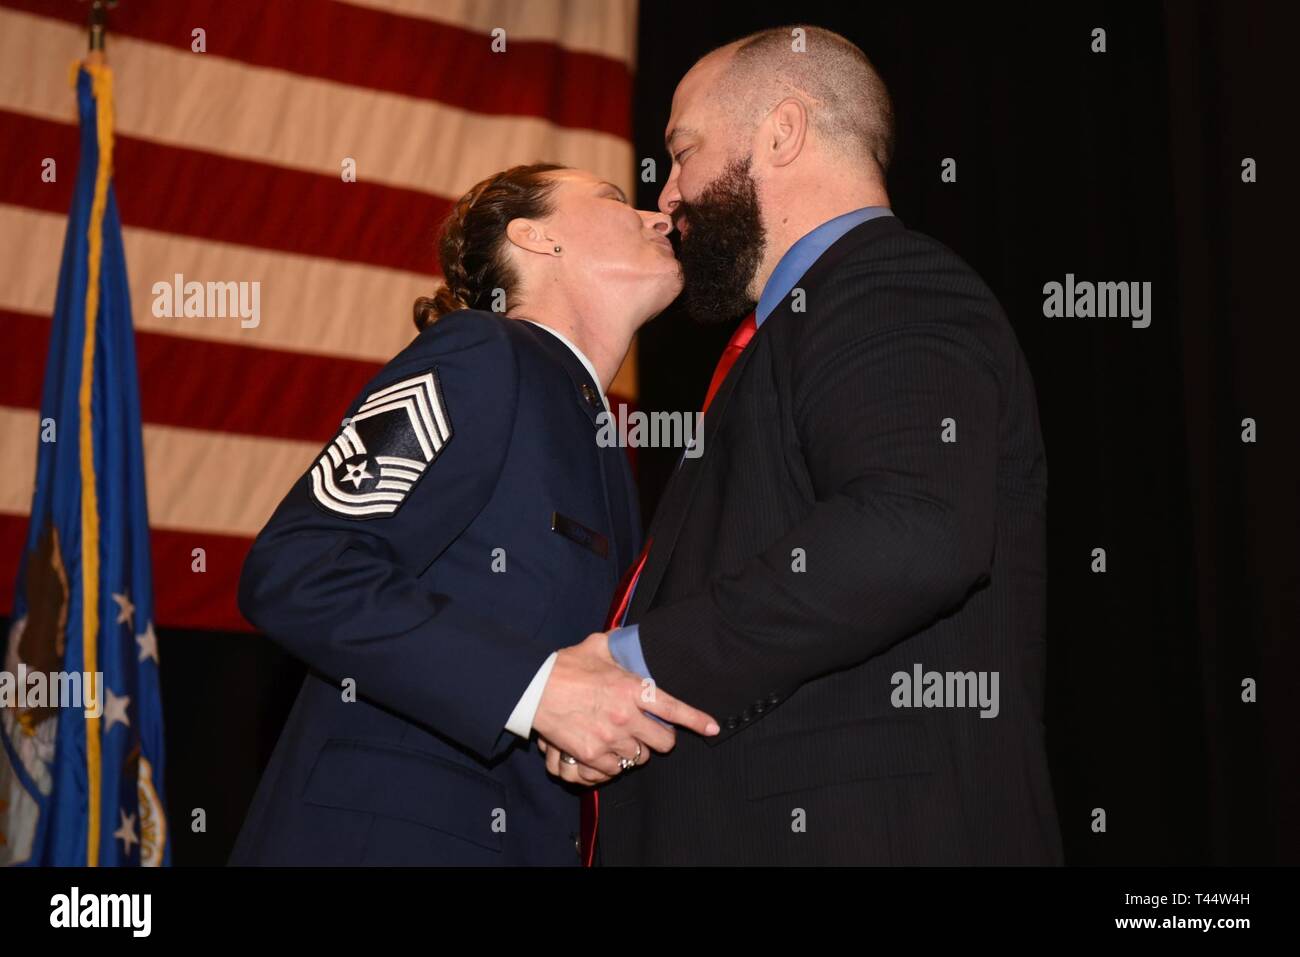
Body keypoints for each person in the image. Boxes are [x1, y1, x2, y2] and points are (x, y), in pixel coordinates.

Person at [561, 26, 1065, 865]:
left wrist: (632, 663)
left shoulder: (887, 283)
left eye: (683, 152)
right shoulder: (790, 330)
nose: (670, 195)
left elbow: (915, 532)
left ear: (782, 131)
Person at [229, 163, 718, 866]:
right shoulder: (482, 353)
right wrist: (534, 691)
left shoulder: (598, 434)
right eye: (615, 199)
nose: (660, 215)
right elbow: (301, 564)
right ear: (534, 237)